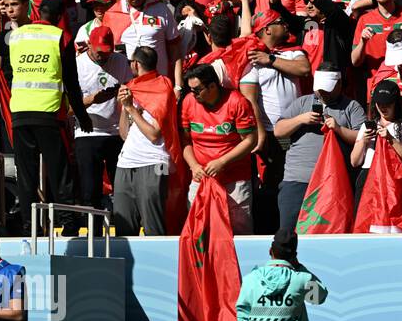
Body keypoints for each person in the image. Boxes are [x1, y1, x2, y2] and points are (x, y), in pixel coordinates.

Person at [0, 0, 92, 234]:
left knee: (26, 175)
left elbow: (9, 73)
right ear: (61, 15)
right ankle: (68, 225)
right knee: (59, 173)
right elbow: (71, 82)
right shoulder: (60, 37)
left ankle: (30, 226)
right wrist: (82, 116)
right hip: (48, 114)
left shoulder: (17, 36)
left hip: (20, 113)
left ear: (38, 11)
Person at [273, 64, 366, 230]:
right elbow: (278, 131)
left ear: (338, 84)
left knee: (330, 232)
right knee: (288, 232)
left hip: (333, 182)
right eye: (319, 88)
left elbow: (362, 138)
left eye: (327, 89)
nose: (322, 93)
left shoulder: (351, 106)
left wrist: (339, 129)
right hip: (297, 179)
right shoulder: (302, 102)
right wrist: (301, 119)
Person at [180, 62, 258, 232]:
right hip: (200, 177)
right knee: (197, 229)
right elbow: (185, 142)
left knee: (239, 229)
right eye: (190, 90)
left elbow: (251, 140)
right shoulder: (188, 102)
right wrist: (194, 166)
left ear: (213, 86)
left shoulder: (237, 102)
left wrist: (222, 162)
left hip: (234, 179)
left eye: (197, 90)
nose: (193, 95)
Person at [236, 228, 329, 321]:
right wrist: (300, 268)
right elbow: (318, 298)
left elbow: (242, 317)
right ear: (294, 256)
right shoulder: (301, 279)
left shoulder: (251, 280)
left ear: (270, 251)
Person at [113, 46, 174, 237]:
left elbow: (154, 134)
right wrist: (124, 108)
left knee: (153, 225)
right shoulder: (130, 88)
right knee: (123, 228)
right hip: (126, 162)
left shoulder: (162, 87)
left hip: (154, 162)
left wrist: (130, 108)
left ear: (135, 64)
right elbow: (124, 134)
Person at [74, 25, 130, 215]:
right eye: (99, 52)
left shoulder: (121, 61)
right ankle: (93, 235)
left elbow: (132, 91)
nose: (103, 56)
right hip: (87, 132)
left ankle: (124, 227)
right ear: (89, 44)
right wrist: (92, 100)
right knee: (90, 190)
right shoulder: (77, 65)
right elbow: (66, 109)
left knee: (122, 189)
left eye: (107, 52)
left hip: (115, 132)